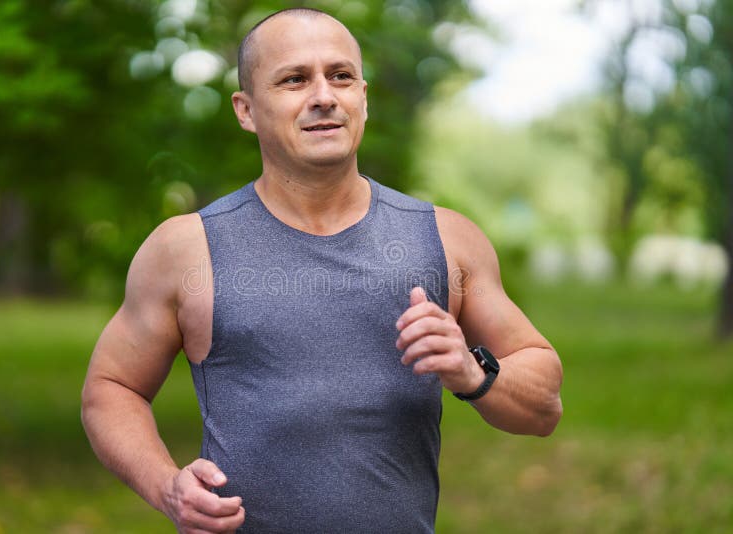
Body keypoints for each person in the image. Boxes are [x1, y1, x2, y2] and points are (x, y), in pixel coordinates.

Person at [81, 7, 563, 533]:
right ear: (245, 110)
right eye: (293, 79)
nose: (324, 96)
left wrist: (472, 371)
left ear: (363, 97)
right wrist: (166, 486)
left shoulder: (447, 239)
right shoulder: (185, 249)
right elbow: (111, 389)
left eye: (341, 76)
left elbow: (544, 404)